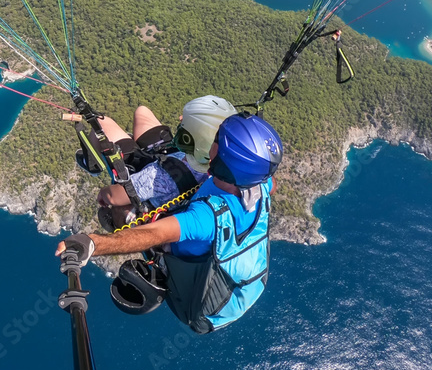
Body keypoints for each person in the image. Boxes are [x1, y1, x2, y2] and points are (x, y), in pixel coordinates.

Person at [58, 111, 283, 334]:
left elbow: (153, 235)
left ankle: (120, 216)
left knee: (121, 207)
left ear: (223, 158)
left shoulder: (206, 219)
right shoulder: (258, 185)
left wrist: (93, 244)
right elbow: (269, 184)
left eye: (216, 140)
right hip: (243, 281)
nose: (212, 141)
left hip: (199, 302)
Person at [86, 96, 238, 231]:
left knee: (100, 123)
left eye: (184, 124)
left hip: (148, 171)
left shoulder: (159, 177)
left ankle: (93, 163)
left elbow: (113, 196)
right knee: (142, 111)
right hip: (171, 156)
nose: (179, 118)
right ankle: (131, 141)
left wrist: (103, 194)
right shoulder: (223, 169)